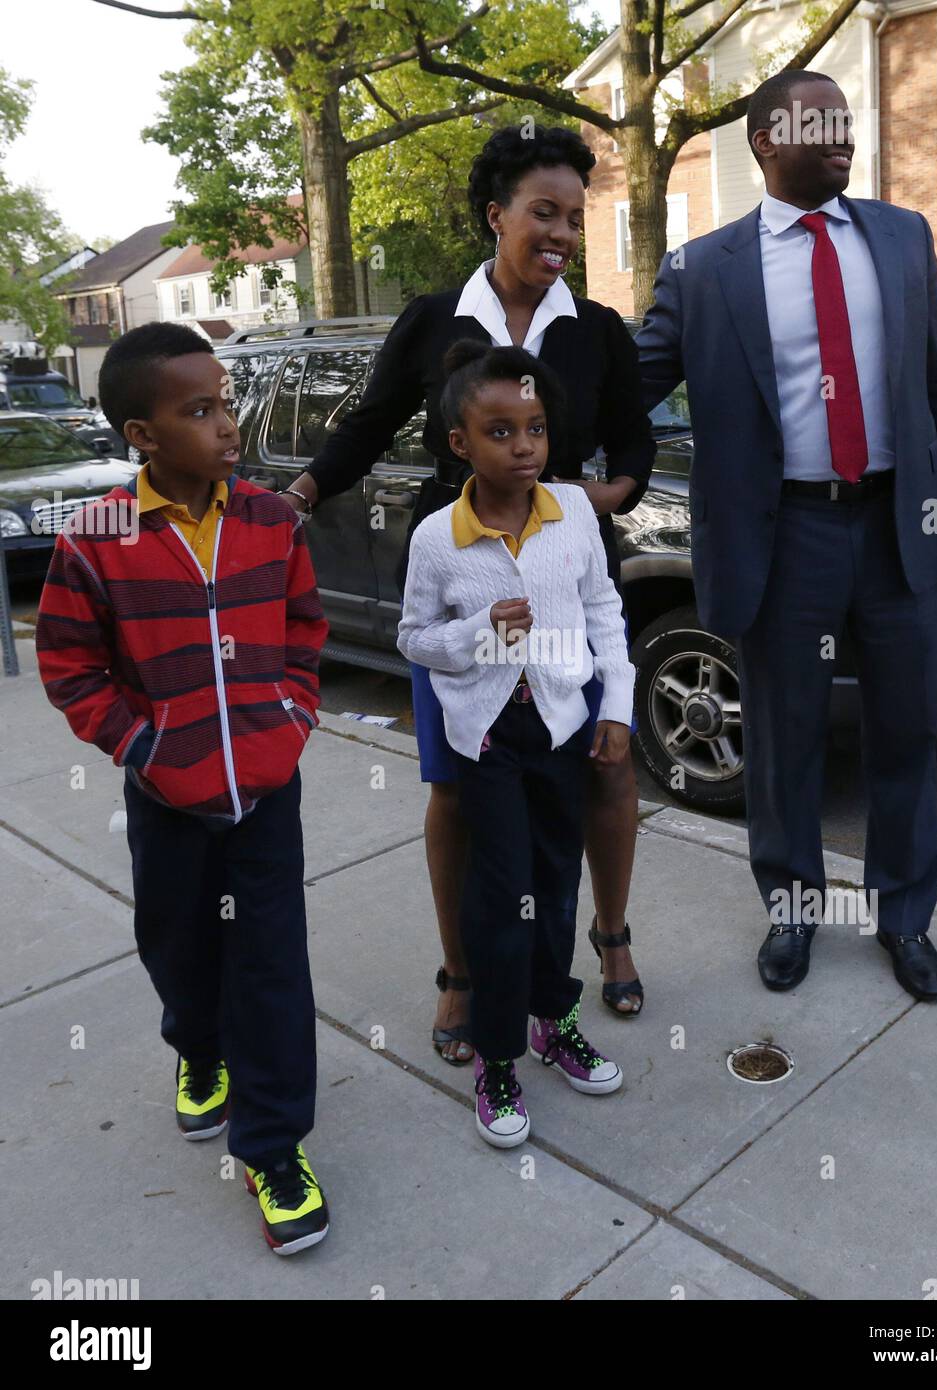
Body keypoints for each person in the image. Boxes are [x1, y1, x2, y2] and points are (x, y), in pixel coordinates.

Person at [280, 125, 656, 1061]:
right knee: (457, 781)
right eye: (544, 211)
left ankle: (608, 938)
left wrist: (592, 500)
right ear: (497, 215)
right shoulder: (433, 320)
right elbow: (366, 426)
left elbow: (637, 447)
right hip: (460, 582)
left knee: (605, 762)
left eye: (576, 215)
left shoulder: (598, 331)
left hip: (567, 582)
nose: (563, 231)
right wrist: (299, 492)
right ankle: (463, 974)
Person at [636, 70, 937, 1002]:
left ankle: (903, 920)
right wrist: (533, 397)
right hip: (784, 535)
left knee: (905, 731)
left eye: (848, 123)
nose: (844, 136)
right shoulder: (706, 267)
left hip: (897, 529)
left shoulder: (900, 236)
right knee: (784, 738)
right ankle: (794, 912)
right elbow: (628, 381)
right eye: (820, 122)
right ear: (765, 139)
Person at [34, 322, 331, 1256]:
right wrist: (142, 745)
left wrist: (290, 715)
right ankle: (198, 1052)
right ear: (143, 435)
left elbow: (303, 631)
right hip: (167, 795)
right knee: (179, 943)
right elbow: (71, 666)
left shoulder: (271, 522)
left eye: (225, 403)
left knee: (274, 964)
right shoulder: (96, 540)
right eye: (197, 410)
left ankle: (274, 1145)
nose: (226, 424)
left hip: (264, 794)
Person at [396, 338, 634, 1146]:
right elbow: (414, 640)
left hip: (561, 727)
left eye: (534, 427)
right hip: (487, 737)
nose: (524, 445)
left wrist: (618, 707)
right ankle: (495, 1058)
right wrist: (475, 632)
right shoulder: (438, 538)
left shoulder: (571, 515)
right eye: (500, 431)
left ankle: (550, 1020)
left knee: (557, 884)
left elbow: (603, 609)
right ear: (460, 443)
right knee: (501, 897)